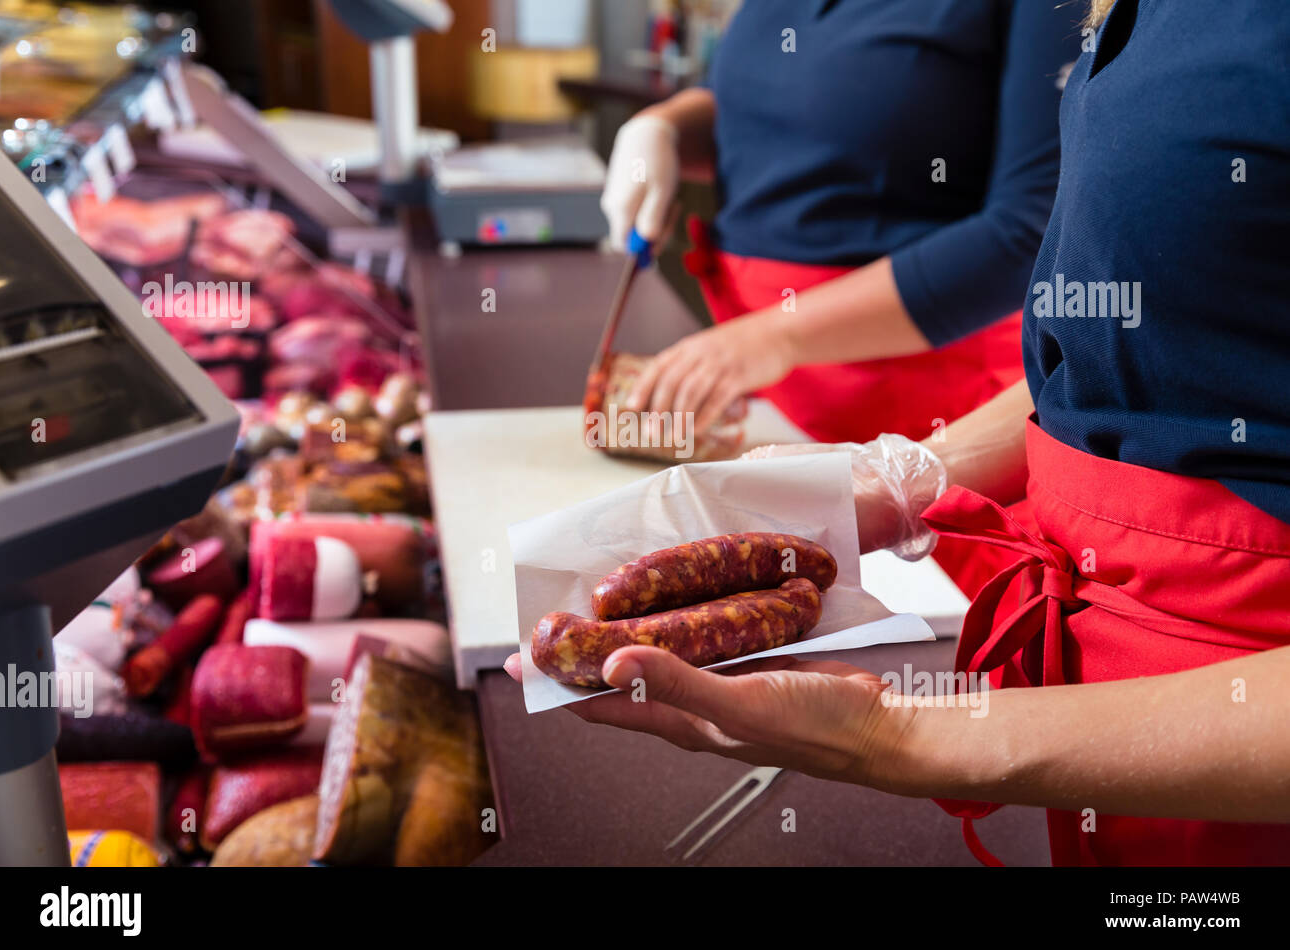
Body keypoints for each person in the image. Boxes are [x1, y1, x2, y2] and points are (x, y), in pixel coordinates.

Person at [516, 0, 1290, 866]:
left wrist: (899, 735)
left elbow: (1021, 233)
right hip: (1110, 701)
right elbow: (1149, 353)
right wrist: (907, 476)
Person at [600, 0, 1082, 599]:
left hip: (926, 426)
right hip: (769, 403)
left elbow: (1030, 231)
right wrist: (667, 126)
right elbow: (779, 100)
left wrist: (776, 335)